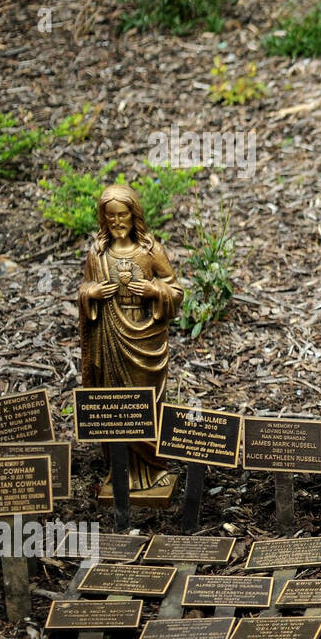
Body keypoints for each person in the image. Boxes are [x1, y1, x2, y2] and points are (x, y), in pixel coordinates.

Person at [78, 183, 183, 492]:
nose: (117, 223)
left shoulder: (150, 251)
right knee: (115, 402)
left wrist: (153, 290)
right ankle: (119, 470)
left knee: (147, 400)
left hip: (145, 335)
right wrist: (92, 292)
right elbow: (84, 289)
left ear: (133, 215)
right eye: (110, 218)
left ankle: (153, 467)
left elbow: (174, 290)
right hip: (109, 334)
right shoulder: (98, 254)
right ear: (103, 219)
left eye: (122, 215)